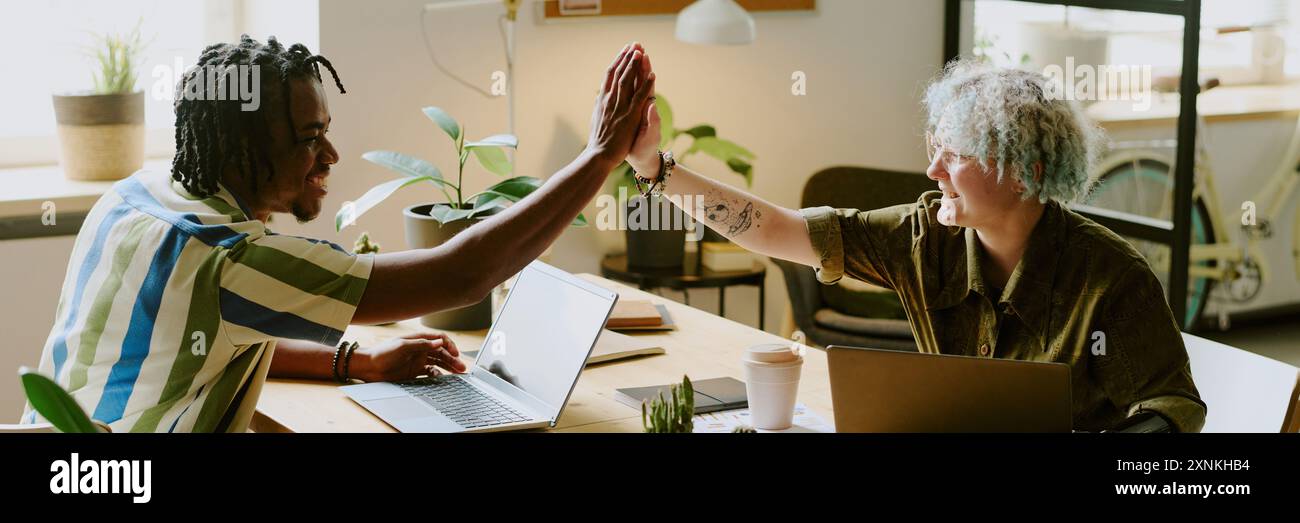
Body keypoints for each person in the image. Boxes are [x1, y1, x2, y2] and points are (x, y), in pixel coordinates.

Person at [23, 36, 655, 432]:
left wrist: (355, 360)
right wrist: (599, 156)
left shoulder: (132, 197)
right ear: (241, 155)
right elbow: (461, 274)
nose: (330, 154)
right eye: (307, 139)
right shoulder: (230, 259)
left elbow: (212, 337)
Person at [628, 59, 1204, 432]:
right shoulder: (925, 238)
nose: (932, 170)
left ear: (1024, 173)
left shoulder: (1112, 277)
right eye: (935, 146)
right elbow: (779, 230)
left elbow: (1173, 409)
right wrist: (654, 168)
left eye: (954, 154)